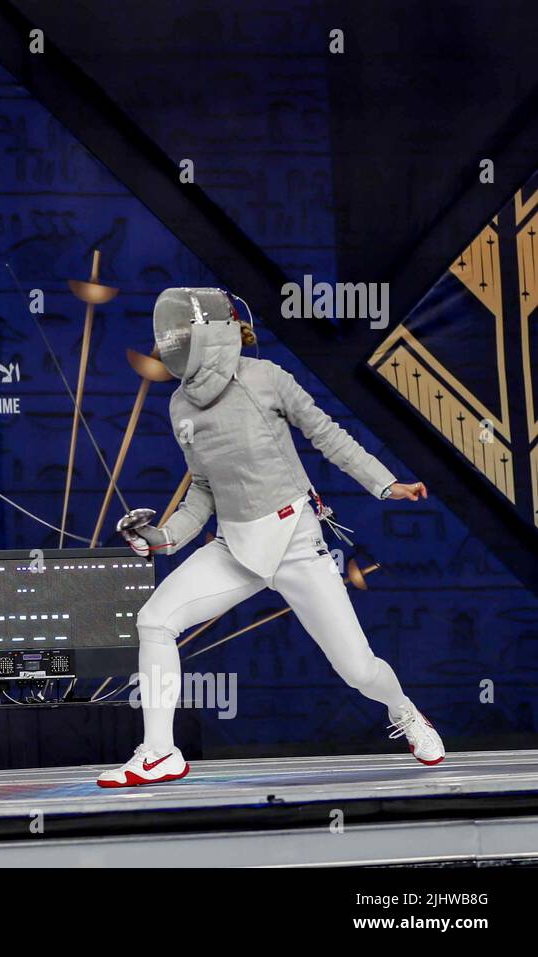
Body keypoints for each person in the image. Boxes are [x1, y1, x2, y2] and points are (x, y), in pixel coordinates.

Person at [97, 287, 443, 788]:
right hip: (236, 548)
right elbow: (203, 490)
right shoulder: (179, 407)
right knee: (154, 619)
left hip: (296, 543)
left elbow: (326, 435)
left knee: (359, 671)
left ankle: (406, 711)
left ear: (212, 333)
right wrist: (161, 537)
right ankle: (160, 752)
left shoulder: (267, 379)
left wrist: (384, 482)